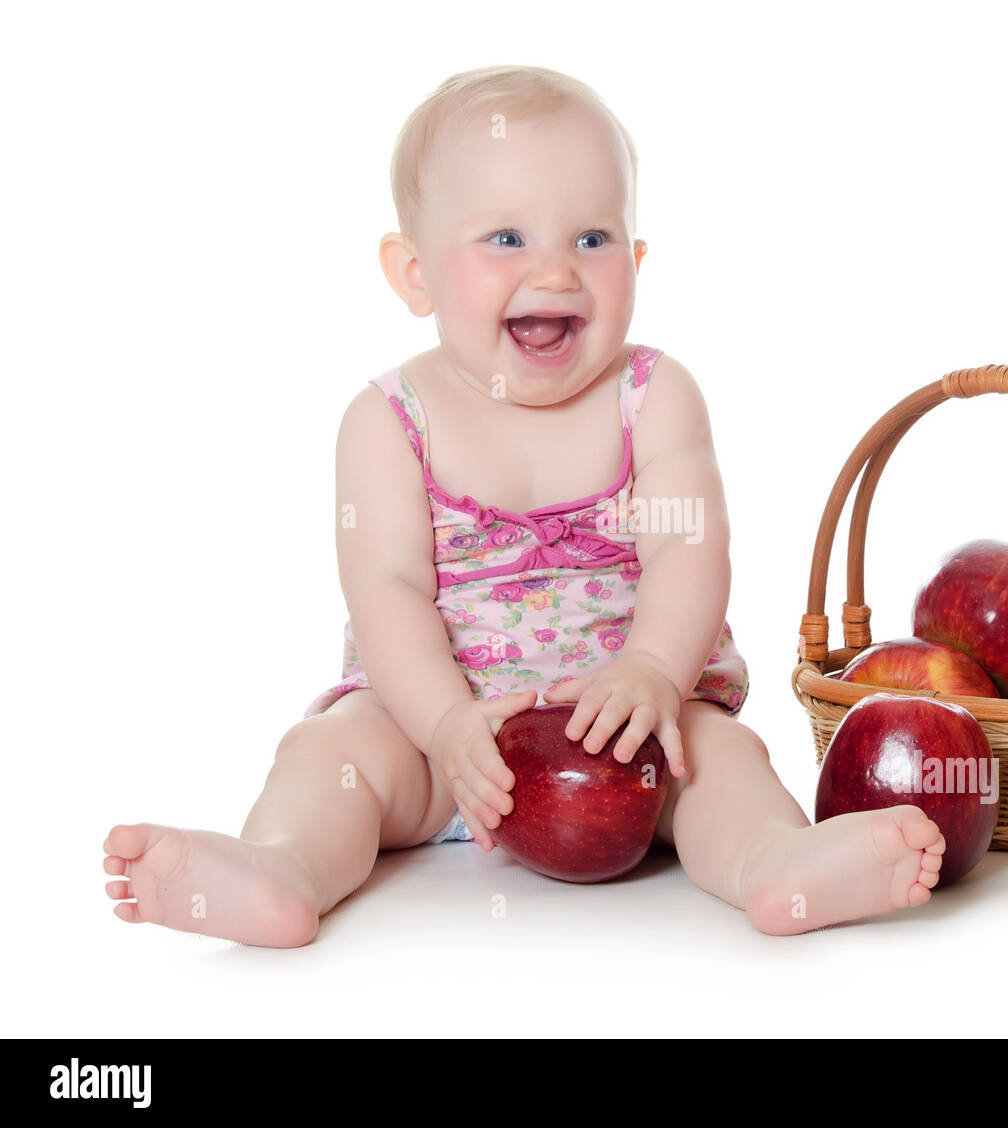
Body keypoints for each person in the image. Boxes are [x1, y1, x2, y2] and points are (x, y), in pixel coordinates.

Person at [102, 65, 944, 946]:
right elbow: (384, 589)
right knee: (331, 756)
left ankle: (774, 865)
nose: (555, 269)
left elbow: (687, 550)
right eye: (506, 238)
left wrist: (655, 669)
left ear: (637, 261)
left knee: (720, 759)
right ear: (414, 273)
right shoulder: (390, 422)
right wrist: (443, 725)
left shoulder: (654, 397)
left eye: (591, 238)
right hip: (437, 740)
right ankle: (283, 867)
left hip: (631, 731)